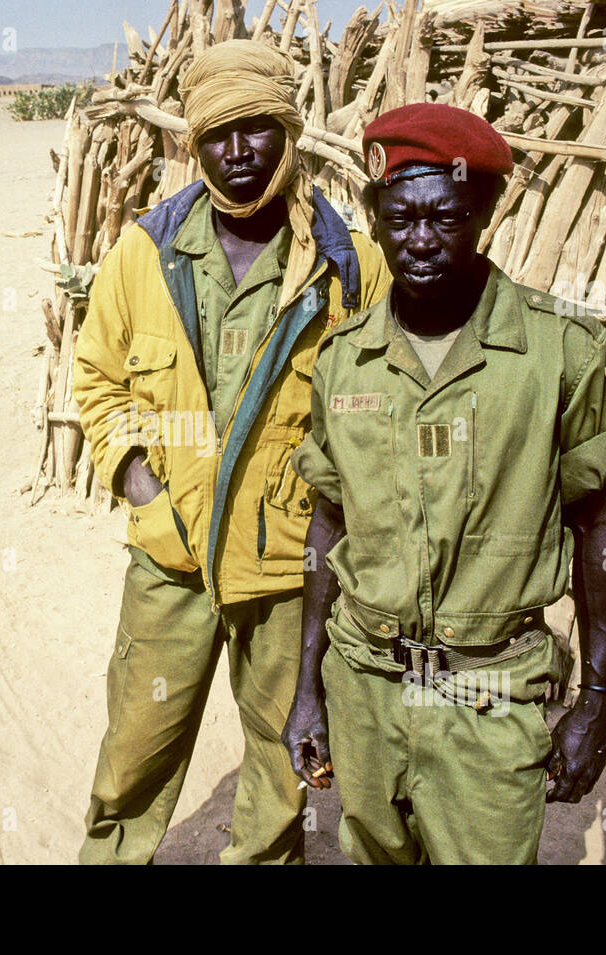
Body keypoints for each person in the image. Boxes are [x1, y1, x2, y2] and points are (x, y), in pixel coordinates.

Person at [282, 102, 606, 865]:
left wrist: (596, 700)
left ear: (482, 212)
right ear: (376, 217)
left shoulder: (559, 351)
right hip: (367, 685)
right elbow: (328, 526)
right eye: (400, 217)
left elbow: (602, 531)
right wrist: (309, 686)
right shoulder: (344, 359)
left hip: (489, 695)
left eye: (444, 217)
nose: (419, 240)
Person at [73, 39, 390, 865]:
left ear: (289, 132)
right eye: (220, 133)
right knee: (135, 752)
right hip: (170, 560)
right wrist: (141, 481)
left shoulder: (349, 265)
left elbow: (389, 398)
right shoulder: (145, 253)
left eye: (257, 128)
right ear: (194, 144)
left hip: (287, 569)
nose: (240, 151)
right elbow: (96, 377)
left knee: (282, 769)